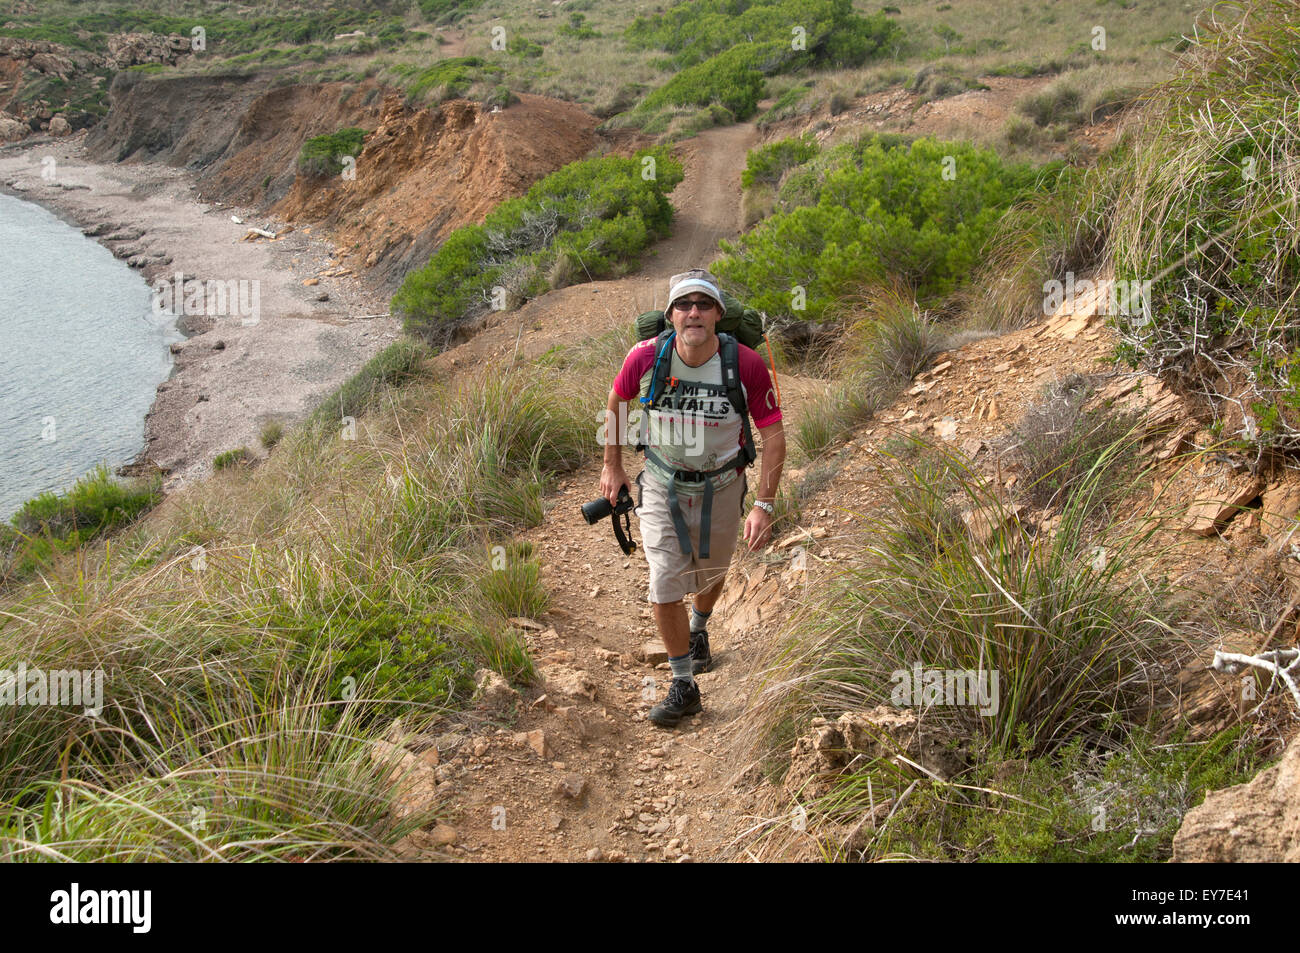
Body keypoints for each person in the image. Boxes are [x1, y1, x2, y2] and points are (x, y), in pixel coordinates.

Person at [600, 268, 785, 728]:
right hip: (661, 483)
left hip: (723, 485)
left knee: (713, 571)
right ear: (671, 315)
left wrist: (763, 504)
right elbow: (618, 400)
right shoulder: (647, 355)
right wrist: (613, 465)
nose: (694, 312)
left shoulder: (745, 364)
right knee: (664, 578)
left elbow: (774, 433)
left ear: (718, 314)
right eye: (684, 305)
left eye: (704, 304)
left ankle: (699, 630)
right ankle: (683, 683)